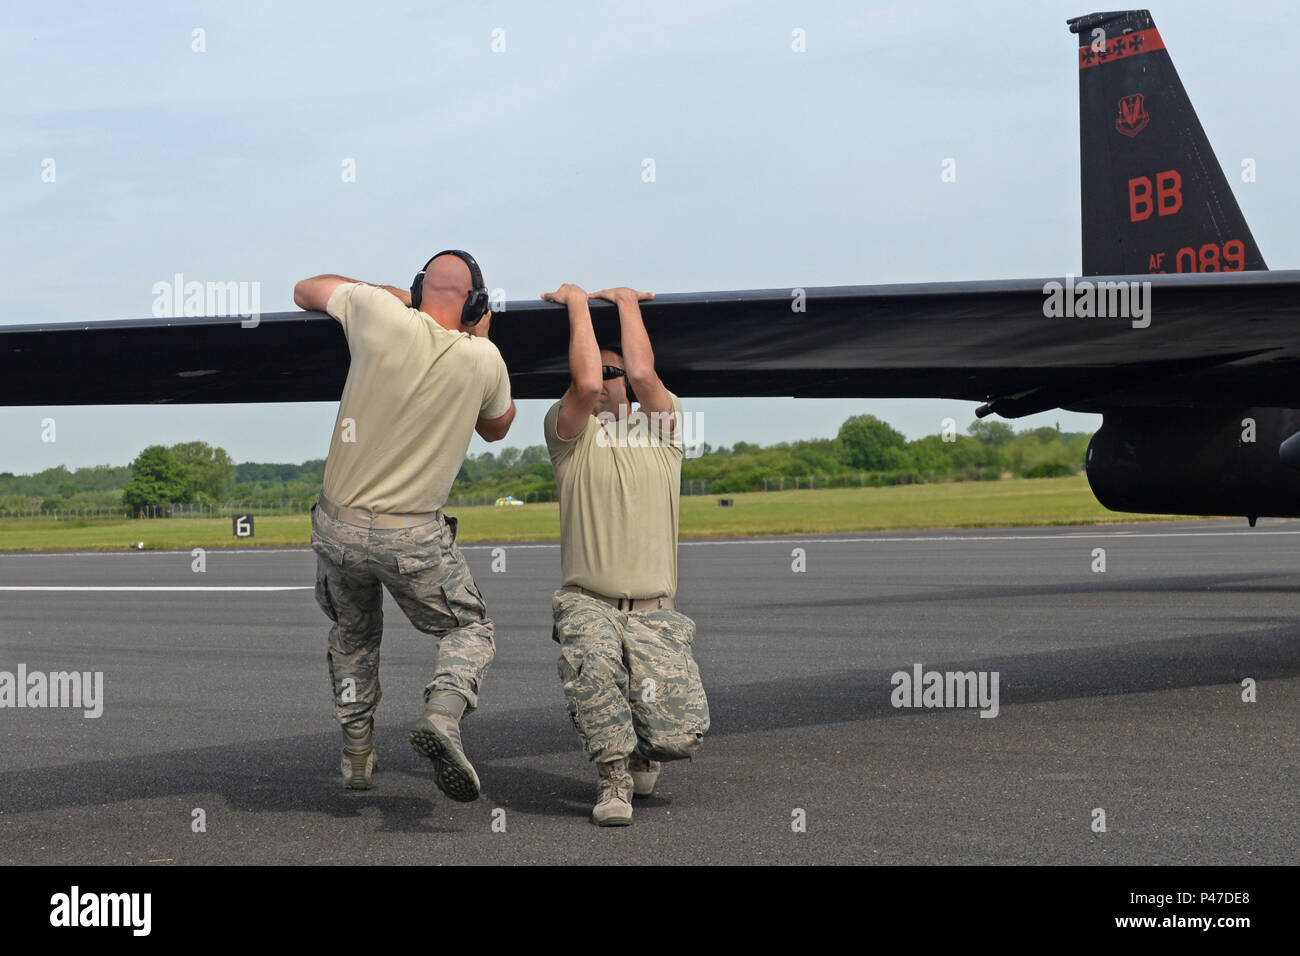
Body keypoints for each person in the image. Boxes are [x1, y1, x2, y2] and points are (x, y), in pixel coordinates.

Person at [293, 250, 515, 800]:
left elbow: (306, 287)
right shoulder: (482, 358)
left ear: (418, 287)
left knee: (354, 637)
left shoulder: (374, 309)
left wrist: (390, 295)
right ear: (477, 305)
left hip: (337, 527)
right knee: (469, 629)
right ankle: (442, 713)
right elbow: (498, 428)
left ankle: (357, 753)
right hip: (411, 538)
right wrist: (481, 340)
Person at [540, 282, 709, 826]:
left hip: (656, 609)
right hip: (589, 600)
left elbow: (642, 375)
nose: (609, 380)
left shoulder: (664, 430)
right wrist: (576, 303)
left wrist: (628, 304)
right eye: (602, 372)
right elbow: (586, 384)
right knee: (593, 673)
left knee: (676, 732)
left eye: (616, 373)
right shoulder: (568, 435)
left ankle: (643, 748)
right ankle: (612, 779)